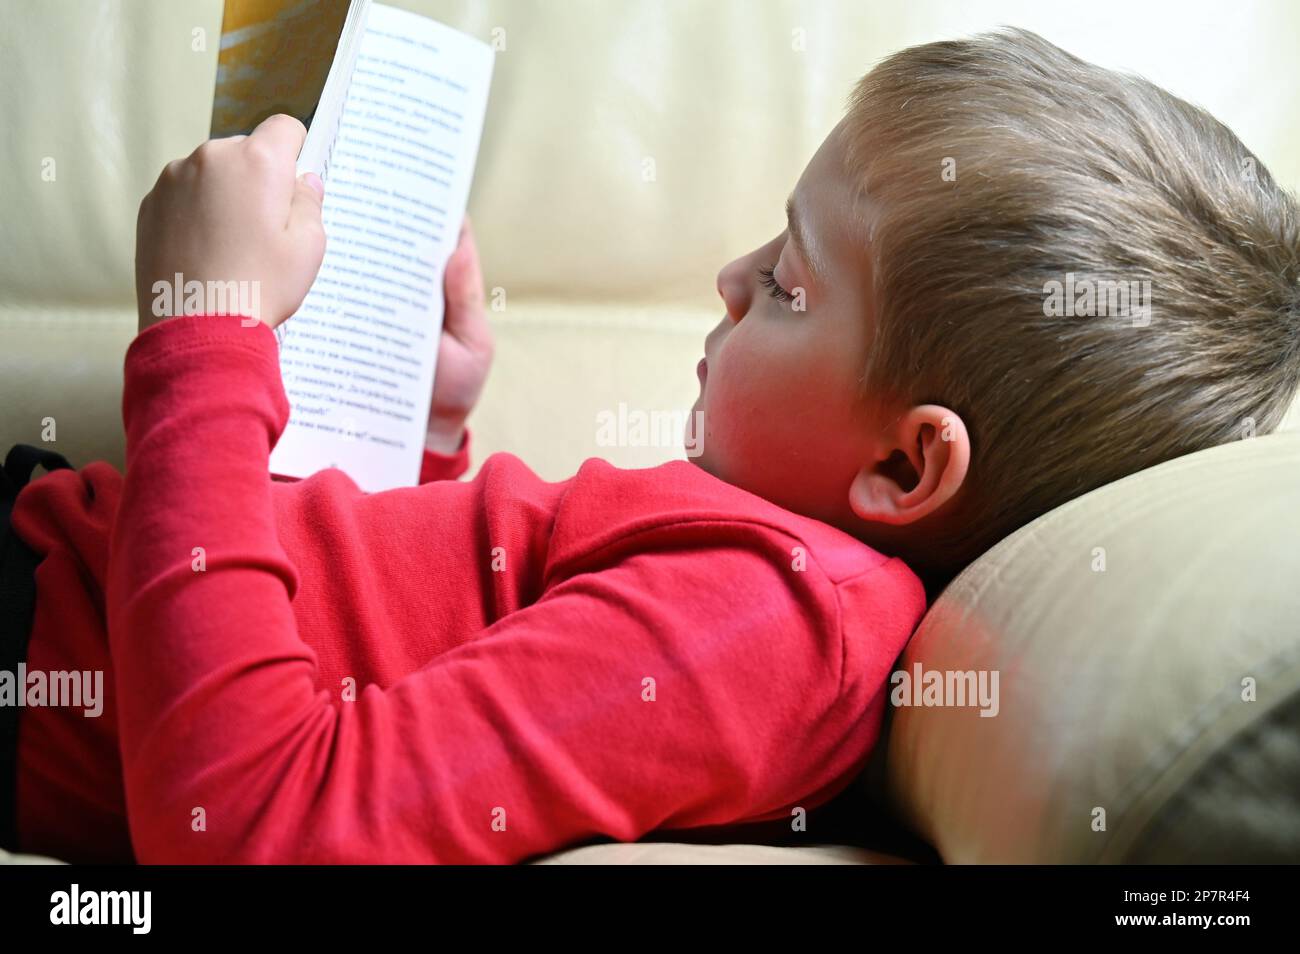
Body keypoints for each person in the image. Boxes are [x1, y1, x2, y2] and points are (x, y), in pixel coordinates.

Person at [4, 28, 1298, 863]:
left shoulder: (766, 622)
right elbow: (410, 643)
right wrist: (428, 438)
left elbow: (247, 819)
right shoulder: (775, 572)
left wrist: (206, 332)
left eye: (789, 285)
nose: (731, 278)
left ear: (906, 469)